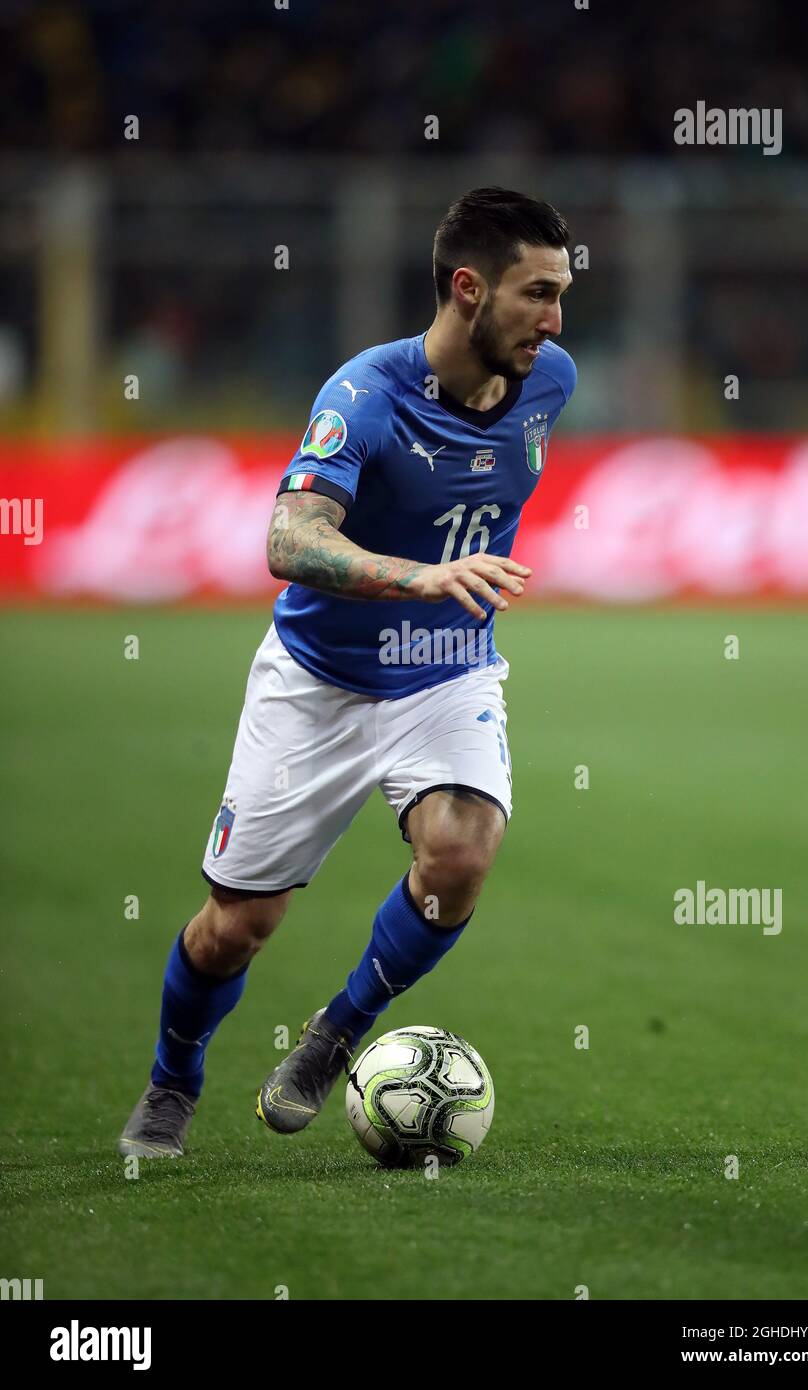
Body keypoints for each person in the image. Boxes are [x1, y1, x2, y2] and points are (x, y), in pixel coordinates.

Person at [118, 186, 576, 1158]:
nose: (554, 319)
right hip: (317, 679)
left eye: (561, 293)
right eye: (535, 293)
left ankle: (336, 1032)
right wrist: (421, 574)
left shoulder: (551, 381)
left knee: (460, 852)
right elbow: (288, 537)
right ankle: (173, 1076)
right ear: (466, 288)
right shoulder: (363, 395)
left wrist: (446, 595)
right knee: (236, 925)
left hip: (447, 668)